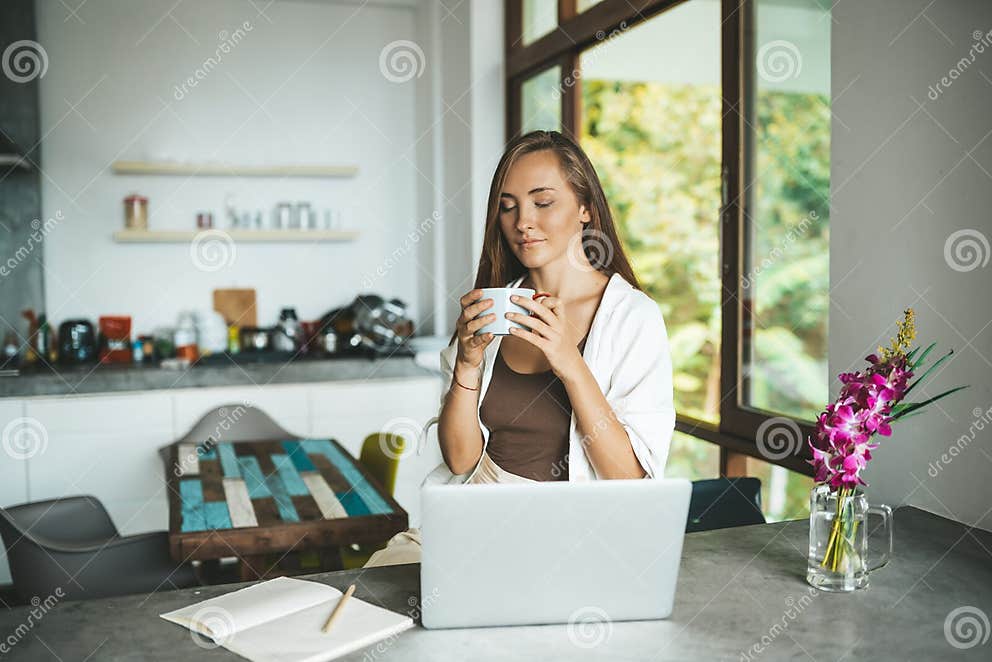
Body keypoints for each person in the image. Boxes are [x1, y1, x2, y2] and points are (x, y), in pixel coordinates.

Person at [364, 130, 675, 567]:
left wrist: (570, 363)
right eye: (508, 206)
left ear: (585, 208)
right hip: (472, 518)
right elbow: (460, 460)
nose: (522, 221)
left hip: (570, 537)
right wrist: (467, 366)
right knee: (378, 579)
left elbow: (629, 479)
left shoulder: (632, 317)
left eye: (542, 202)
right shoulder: (493, 309)